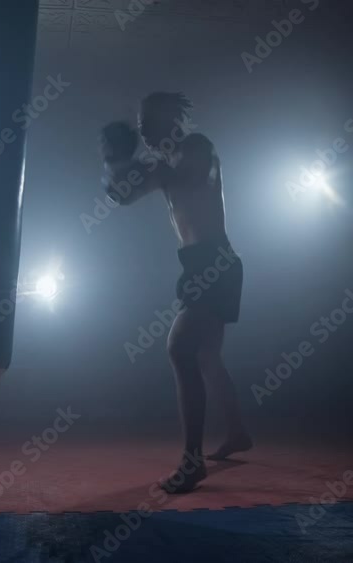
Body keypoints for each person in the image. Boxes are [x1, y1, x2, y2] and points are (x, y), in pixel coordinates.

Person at [100, 92, 252, 493]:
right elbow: (122, 195)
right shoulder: (162, 164)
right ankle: (236, 432)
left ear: (171, 120)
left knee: (179, 348)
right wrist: (114, 160)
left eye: (149, 121)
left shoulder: (197, 147)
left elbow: (189, 175)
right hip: (200, 263)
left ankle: (191, 461)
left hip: (215, 261)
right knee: (205, 356)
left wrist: (139, 168)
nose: (143, 131)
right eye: (140, 124)